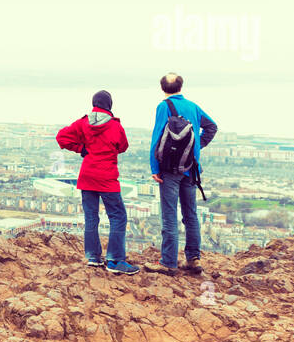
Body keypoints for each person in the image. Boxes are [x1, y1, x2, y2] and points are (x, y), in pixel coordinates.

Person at [56, 90, 138, 275]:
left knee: (91, 217)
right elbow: (123, 146)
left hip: (87, 177)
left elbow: (61, 137)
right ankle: (115, 260)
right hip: (107, 178)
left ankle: (93, 257)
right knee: (118, 217)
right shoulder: (115, 126)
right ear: (109, 105)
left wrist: (80, 148)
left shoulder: (83, 123)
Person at [149, 73, 217, 274]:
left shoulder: (163, 107)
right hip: (191, 167)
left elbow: (157, 136)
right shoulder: (193, 107)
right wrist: (197, 147)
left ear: (163, 88)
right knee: (191, 214)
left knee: (169, 215)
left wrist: (154, 168)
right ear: (181, 86)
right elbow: (212, 127)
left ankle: (168, 262)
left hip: (169, 169)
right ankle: (193, 259)